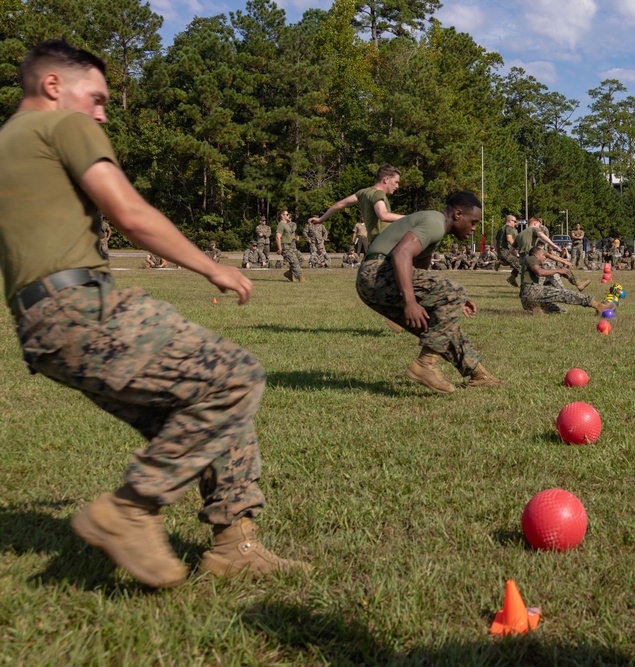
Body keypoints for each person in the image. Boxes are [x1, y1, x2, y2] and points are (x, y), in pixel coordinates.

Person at [0, 40, 306, 587]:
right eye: (95, 98)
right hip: (82, 305)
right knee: (235, 377)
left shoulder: (8, 145)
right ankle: (130, 510)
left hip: (42, 330)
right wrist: (211, 266)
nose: (100, 112)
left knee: (196, 414)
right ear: (52, 86)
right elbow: (130, 212)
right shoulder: (62, 126)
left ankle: (236, 543)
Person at [355, 191, 503, 394]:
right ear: (458, 214)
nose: (474, 229)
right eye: (473, 222)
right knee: (455, 291)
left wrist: (448, 299)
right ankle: (425, 364)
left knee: (441, 323)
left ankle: (478, 374)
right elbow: (401, 254)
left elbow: (420, 274)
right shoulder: (435, 222)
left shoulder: (435, 228)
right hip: (377, 273)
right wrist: (410, 302)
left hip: (373, 280)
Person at [309, 164, 403, 243]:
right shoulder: (378, 194)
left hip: (374, 242)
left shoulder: (364, 192)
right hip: (386, 241)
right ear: (386, 179)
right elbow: (383, 215)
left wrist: (321, 219)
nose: (397, 186)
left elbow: (339, 205)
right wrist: (411, 218)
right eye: (396, 182)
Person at [519, 245, 604, 315]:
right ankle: (597, 305)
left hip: (528, 299)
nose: (545, 258)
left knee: (562, 311)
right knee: (565, 294)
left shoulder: (533, 263)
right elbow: (540, 272)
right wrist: (558, 270)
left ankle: (536, 309)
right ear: (536, 255)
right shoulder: (531, 258)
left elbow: (542, 273)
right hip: (530, 291)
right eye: (543, 256)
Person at [515, 218, 589, 291]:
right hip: (532, 257)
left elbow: (512, 249)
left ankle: (576, 283)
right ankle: (563, 290)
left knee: (551, 269)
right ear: (534, 223)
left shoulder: (520, 234)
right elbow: (541, 235)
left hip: (523, 259)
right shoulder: (534, 229)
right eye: (539, 224)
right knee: (550, 267)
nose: (540, 227)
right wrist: (554, 245)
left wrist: (520, 256)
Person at [275, 209, 302, 282]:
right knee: (294, 261)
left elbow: (287, 236)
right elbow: (278, 237)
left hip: (291, 246)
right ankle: (300, 278)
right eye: (287, 214)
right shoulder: (281, 225)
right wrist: (280, 248)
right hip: (286, 247)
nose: (288, 215)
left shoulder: (286, 224)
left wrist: (295, 238)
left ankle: (289, 273)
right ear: (282, 216)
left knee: (300, 258)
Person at [494, 215, 520, 286]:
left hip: (501, 251)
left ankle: (500, 262)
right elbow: (509, 239)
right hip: (506, 250)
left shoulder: (501, 229)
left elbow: (495, 242)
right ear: (509, 221)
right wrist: (517, 247)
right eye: (514, 221)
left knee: (516, 262)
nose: (515, 222)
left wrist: (497, 251)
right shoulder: (509, 228)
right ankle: (513, 278)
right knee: (520, 265)